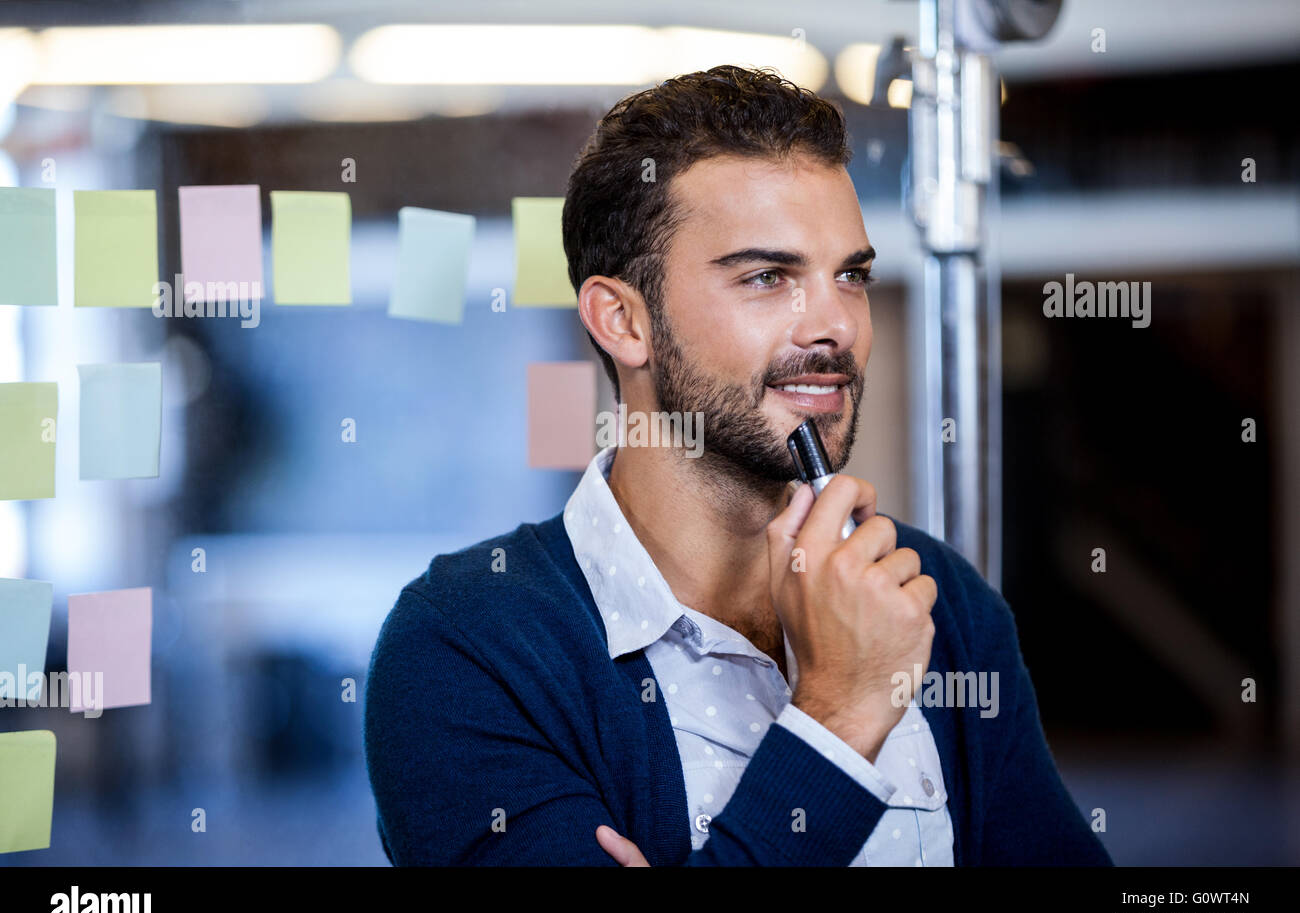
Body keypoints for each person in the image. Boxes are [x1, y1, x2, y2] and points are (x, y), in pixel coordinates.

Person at [363, 64, 1112, 867]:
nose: (833, 325)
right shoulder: (466, 649)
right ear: (622, 320)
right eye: (767, 277)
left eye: (849, 276)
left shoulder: (933, 598)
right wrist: (839, 715)